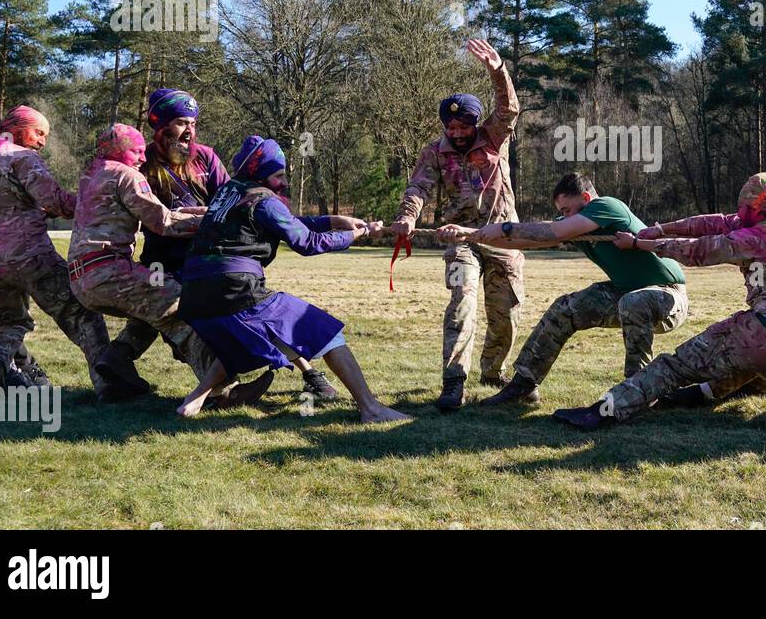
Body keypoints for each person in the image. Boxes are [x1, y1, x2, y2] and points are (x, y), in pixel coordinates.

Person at [551, 174, 766, 430]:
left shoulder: (755, 238)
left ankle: (605, 409)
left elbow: (697, 252)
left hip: (764, 337)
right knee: (739, 351)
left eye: (743, 208)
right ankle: (749, 387)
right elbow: (712, 223)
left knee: (675, 366)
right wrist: (659, 230)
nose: (739, 214)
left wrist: (639, 244)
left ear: (753, 209)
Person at [175, 136, 407, 423]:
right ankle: (371, 409)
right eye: (279, 175)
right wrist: (354, 236)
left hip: (195, 295)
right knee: (326, 333)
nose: (284, 183)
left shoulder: (230, 192)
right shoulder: (262, 199)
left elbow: (283, 221)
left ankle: (193, 401)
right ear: (261, 173)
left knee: (241, 341)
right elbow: (305, 242)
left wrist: (333, 220)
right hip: (234, 289)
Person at [438, 172, 688, 407]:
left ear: (587, 199)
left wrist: (505, 226)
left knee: (635, 302)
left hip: (667, 296)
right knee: (564, 309)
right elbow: (528, 238)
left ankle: (639, 391)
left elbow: (553, 230)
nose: (564, 216)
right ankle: (523, 384)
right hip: (625, 293)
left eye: (567, 210)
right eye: (561, 212)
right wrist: (469, 234)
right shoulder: (574, 222)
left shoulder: (607, 206)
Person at [68, 124, 273, 408]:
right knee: (179, 304)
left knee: (153, 306)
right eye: (137, 152)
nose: (142, 158)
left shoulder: (91, 174)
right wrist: (216, 221)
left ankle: (116, 363)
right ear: (120, 151)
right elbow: (162, 222)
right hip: (110, 270)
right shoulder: (127, 175)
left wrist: (199, 212)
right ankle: (224, 391)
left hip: (81, 277)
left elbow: (159, 213)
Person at [388, 38, 524, 412]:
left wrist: (498, 71)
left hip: (503, 237)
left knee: (506, 311)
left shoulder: (494, 136)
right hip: (460, 238)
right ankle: (453, 382)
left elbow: (509, 108)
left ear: (475, 123)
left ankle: (495, 373)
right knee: (461, 300)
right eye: (451, 126)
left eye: (464, 125)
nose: (458, 132)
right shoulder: (434, 151)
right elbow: (419, 185)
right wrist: (407, 217)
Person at [0, 106, 117, 397]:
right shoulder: (22, 157)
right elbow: (55, 201)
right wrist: (99, 202)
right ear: (19, 129)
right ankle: (110, 383)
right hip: (31, 256)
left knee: (13, 319)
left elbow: (2, 208)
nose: (42, 141)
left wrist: (34, 212)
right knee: (81, 313)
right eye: (39, 133)